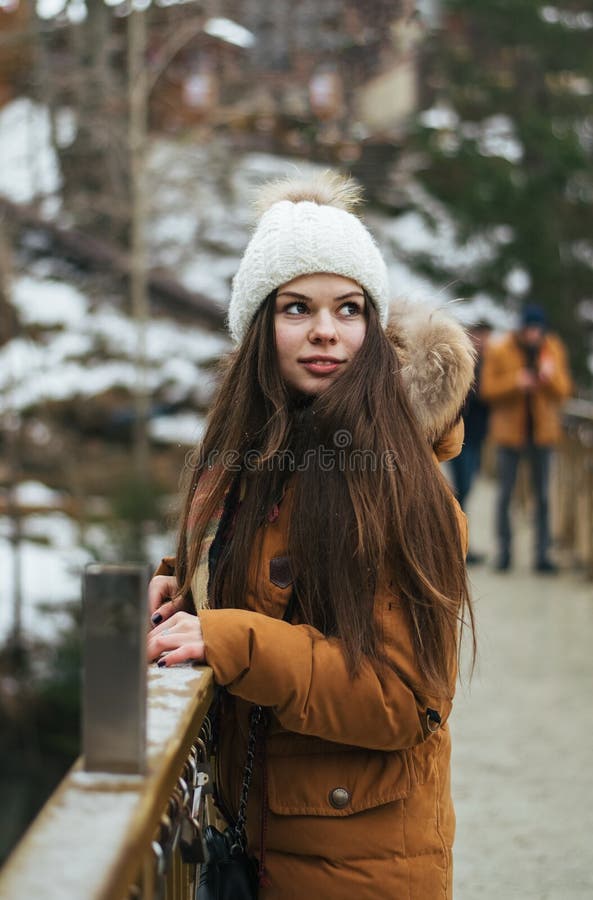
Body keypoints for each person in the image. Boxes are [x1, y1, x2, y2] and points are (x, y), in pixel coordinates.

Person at [146, 172, 476, 899]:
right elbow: (269, 567)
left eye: (347, 308)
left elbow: (402, 698)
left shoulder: (400, 486)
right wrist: (189, 582)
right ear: (259, 325)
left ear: (372, 325)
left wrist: (229, 640)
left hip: (358, 869)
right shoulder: (254, 455)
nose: (325, 330)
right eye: (297, 307)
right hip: (257, 844)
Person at [481, 304, 572, 573]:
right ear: (520, 328)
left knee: (543, 496)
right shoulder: (501, 348)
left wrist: (549, 376)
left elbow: (563, 390)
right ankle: (505, 553)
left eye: (537, 328)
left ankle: (542, 555)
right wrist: (516, 381)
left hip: (543, 434)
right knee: (505, 495)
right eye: (528, 328)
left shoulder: (552, 348)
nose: (533, 334)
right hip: (509, 434)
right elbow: (487, 390)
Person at [450, 320, 493, 564]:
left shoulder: (489, 362)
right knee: (461, 489)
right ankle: (456, 542)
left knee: (467, 489)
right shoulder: (464, 358)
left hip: (478, 435)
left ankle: (460, 542)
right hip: (459, 435)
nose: (483, 341)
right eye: (480, 335)